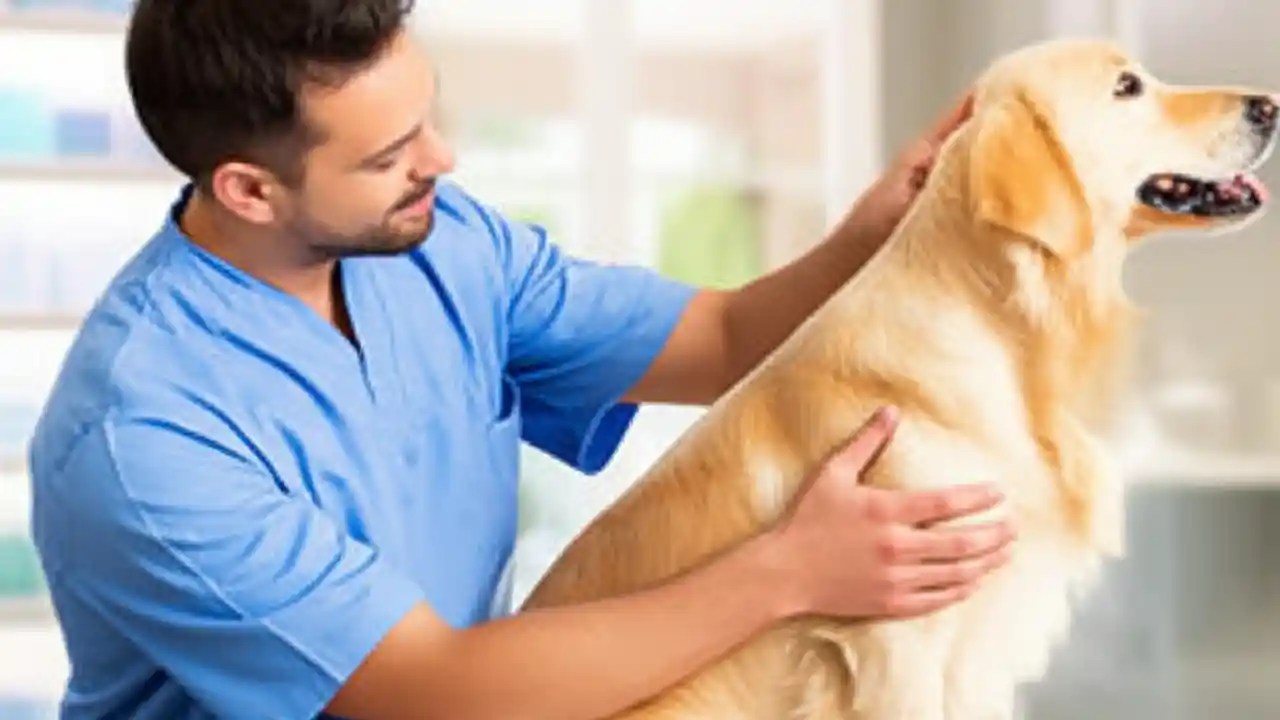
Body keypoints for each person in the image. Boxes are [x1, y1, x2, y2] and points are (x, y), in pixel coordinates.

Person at [26, 1, 1016, 718]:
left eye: (428, 118)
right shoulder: (143, 437)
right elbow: (431, 691)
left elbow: (718, 341)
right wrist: (789, 572)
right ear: (250, 191)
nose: (442, 161)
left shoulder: (441, 244)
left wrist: (880, 230)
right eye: (388, 155)